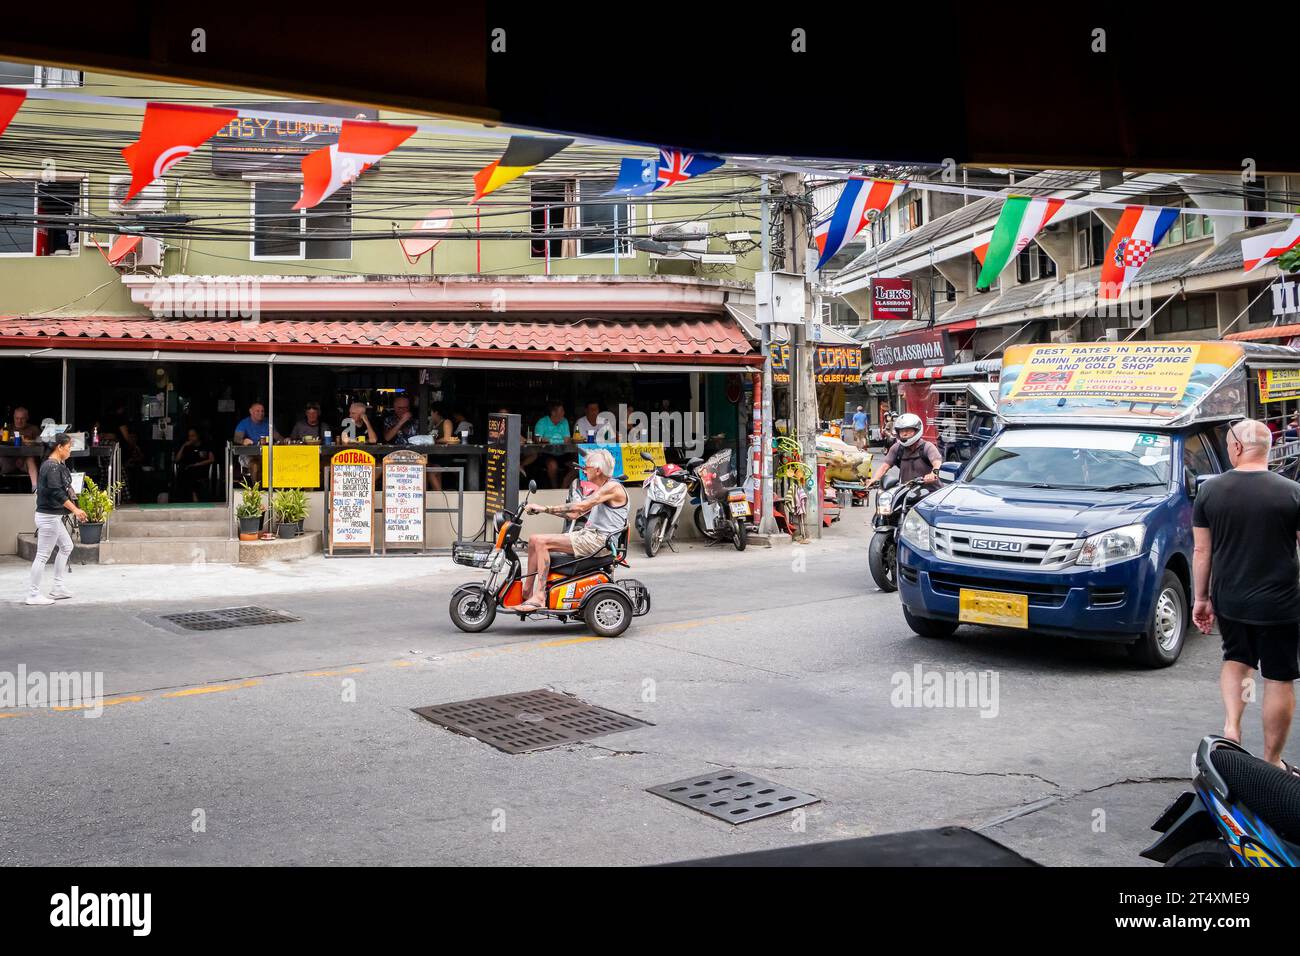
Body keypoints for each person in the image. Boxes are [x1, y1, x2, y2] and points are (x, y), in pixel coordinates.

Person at [1192, 418, 1300, 774]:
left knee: (1238, 660)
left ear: (1237, 447)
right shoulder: (1291, 492)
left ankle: (1232, 731)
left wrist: (1201, 599)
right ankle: (1271, 761)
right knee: (1278, 677)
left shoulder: (1210, 491)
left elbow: (1202, 552)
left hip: (1231, 598)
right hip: (1281, 604)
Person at [516, 447, 628, 612]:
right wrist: (543, 511)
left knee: (541, 542)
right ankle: (526, 593)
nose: (583, 470)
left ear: (597, 470)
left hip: (598, 541)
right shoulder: (604, 488)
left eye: (586, 467)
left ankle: (539, 596)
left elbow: (580, 506)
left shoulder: (612, 487)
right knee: (533, 539)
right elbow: (575, 513)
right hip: (590, 536)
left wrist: (544, 507)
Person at [26, 432, 86, 606]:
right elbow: (56, 492)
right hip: (48, 517)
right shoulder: (51, 467)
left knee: (67, 546)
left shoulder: (57, 465)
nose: (70, 452)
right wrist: (75, 509)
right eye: (68, 448)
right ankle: (33, 594)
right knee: (43, 555)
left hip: (52, 517)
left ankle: (58, 587)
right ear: (59, 447)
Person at [866, 412, 941, 488]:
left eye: (908, 430)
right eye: (901, 431)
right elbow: (885, 466)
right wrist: (875, 478)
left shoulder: (927, 447)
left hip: (931, 493)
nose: (904, 434)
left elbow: (937, 464)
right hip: (907, 491)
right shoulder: (897, 448)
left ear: (917, 430)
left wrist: (933, 474)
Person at [233, 401, 280, 483]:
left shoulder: (268, 423)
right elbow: (236, 438)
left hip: (265, 454)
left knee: (279, 463)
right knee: (255, 465)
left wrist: (286, 440)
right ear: (251, 411)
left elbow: (277, 437)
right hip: (249, 454)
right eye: (257, 411)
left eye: (262, 411)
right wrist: (243, 440)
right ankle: (256, 491)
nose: (261, 413)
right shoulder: (244, 423)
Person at [0, 406, 41, 491]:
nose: (19, 421)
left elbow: (41, 444)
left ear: (27, 418)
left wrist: (31, 442)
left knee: (30, 459)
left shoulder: (33, 429)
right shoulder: (7, 428)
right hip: (9, 461)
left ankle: (35, 488)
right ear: (13, 417)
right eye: (17, 418)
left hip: (25, 462)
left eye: (22, 418)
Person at [532, 401, 571, 488]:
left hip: (563, 453)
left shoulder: (564, 421)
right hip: (547, 454)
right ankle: (555, 488)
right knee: (552, 465)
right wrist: (558, 440)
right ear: (553, 412)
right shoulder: (542, 422)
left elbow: (567, 440)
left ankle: (563, 487)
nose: (564, 413)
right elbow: (537, 439)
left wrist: (549, 440)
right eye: (561, 411)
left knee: (577, 465)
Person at [173, 428, 215, 502]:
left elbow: (212, 459)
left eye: (193, 436)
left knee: (190, 474)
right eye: (189, 436)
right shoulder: (187, 447)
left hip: (201, 468)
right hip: (188, 469)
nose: (191, 438)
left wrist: (198, 464)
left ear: (198, 436)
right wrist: (183, 446)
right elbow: (177, 460)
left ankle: (194, 496)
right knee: (184, 474)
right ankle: (191, 496)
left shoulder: (205, 445)